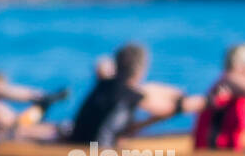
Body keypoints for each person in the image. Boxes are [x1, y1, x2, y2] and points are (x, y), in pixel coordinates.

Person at [69, 43, 205, 145]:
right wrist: (203, 102)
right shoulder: (129, 95)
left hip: (78, 145)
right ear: (141, 69)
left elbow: (146, 90)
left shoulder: (106, 84)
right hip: (96, 154)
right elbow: (167, 109)